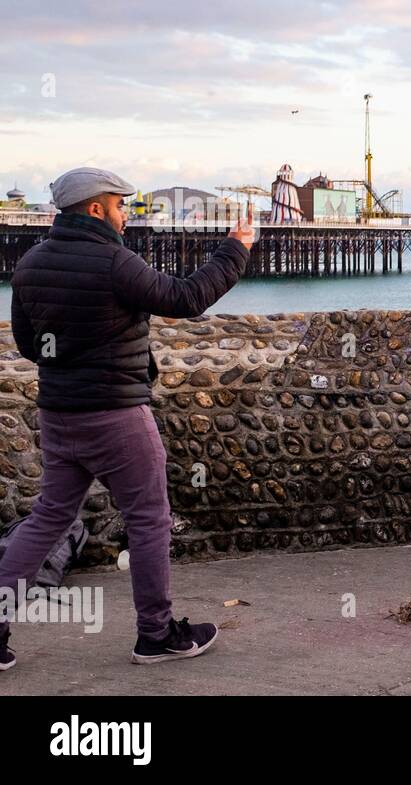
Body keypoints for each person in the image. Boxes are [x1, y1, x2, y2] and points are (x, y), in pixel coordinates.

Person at [0, 167, 255, 672]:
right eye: (119, 205)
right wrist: (235, 248)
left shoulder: (30, 263)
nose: (124, 215)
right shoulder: (115, 261)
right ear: (95, 208)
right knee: (150, 520)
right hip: (116, 414)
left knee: (49, 516)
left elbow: (30, 345)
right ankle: (156, 635)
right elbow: (185, 299)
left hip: (58, 415)